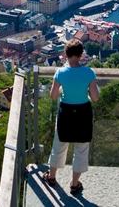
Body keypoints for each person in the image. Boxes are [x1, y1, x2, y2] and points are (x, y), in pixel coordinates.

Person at [42, 39, 99, 195]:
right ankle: (74, 183)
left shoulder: (60, 72)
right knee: (81, 148)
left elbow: (53, 96)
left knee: (59, 144)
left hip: (65, 111)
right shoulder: (89, 72)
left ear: (65, 54)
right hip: (83, 112)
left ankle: (52, 177)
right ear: (81, 55)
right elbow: (95, 97)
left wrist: (63, 89)